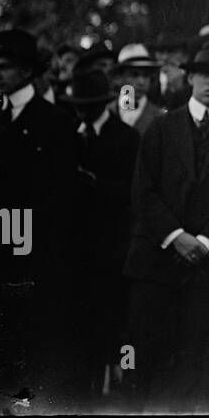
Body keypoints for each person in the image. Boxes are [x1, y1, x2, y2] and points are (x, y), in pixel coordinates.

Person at [122, 42, 209, 412]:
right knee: (143, 360)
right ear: (191, 77)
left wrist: (205, 242)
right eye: (205, 74)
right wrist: (177, 237)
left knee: (199, 365)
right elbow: (143, 192)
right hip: (156, 259)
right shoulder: (161, 127)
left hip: (207, 266)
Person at [0, 29, 82, 412]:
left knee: (38, 346)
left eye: (4, 67)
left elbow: (63, 198)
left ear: (26, 71)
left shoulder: (56, 122)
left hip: (39, 257)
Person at [69, 67, 140, 401]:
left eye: (90, 104)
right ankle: (87, 382)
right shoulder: (69, 135)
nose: (83, 111)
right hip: (78, 246)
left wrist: (96, 185)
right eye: (79, 105)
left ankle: (118, 380)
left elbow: (134, 191)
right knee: (82, 316)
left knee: (114, 315)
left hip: (114, 243)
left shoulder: (125, 137)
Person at [114, 44, 166, 137]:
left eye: (146, 75)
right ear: (120, 77)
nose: (141, 82)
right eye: (134, 75)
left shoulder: (160, 117)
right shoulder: (107, 111)